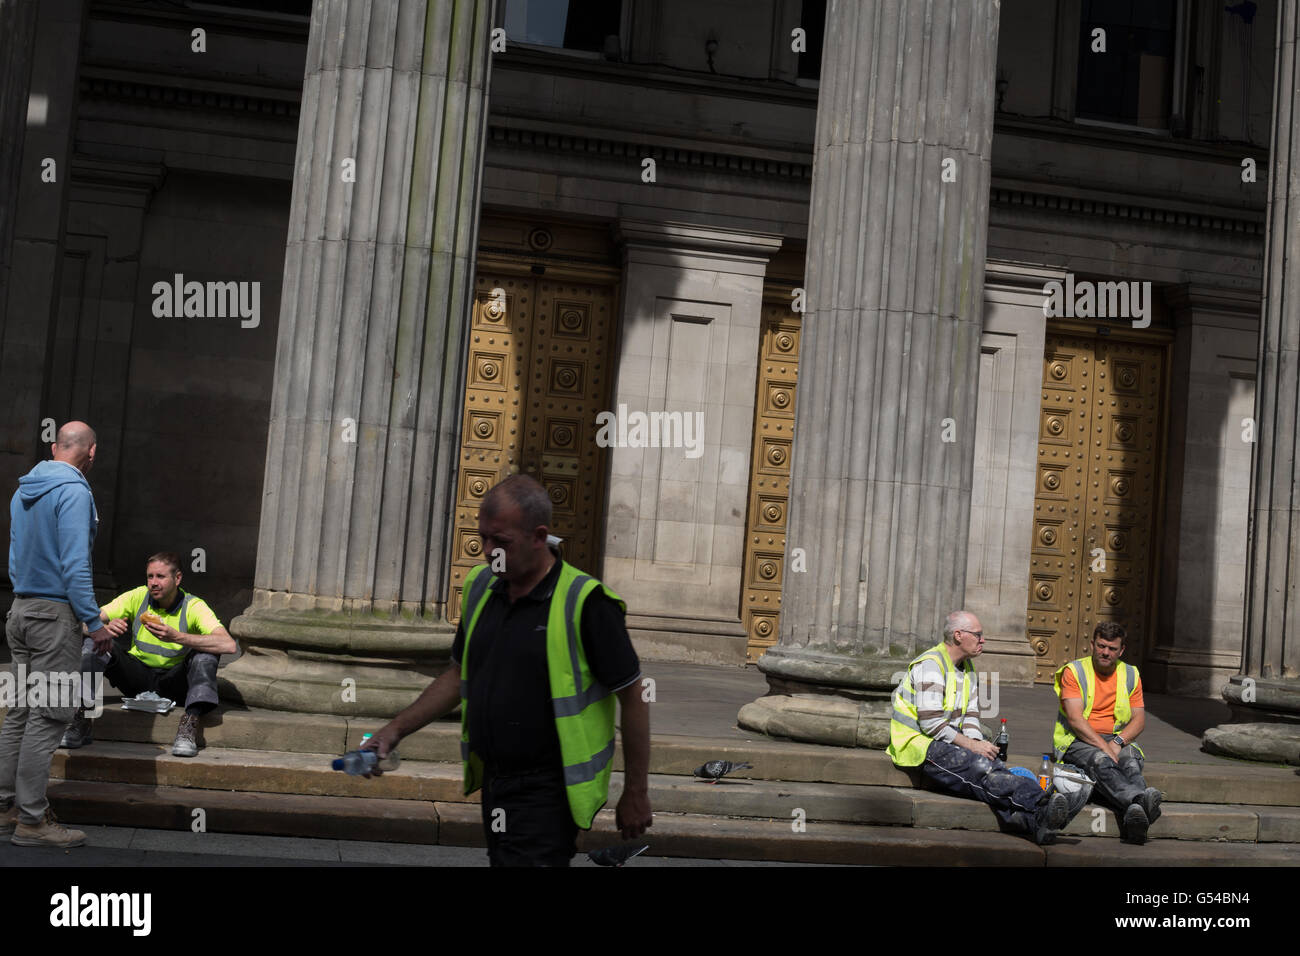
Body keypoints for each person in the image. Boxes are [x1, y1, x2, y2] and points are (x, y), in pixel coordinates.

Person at [366, 474, 652, 866]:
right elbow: (458, 675)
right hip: (496, 783)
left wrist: (636, 789)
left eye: (501, 542)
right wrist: (393, 730)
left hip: (548, 790)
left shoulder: (586, 603)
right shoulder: (482, 587)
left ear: (539, 537)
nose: (488, 551)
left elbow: (634, 694)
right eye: (483, 538)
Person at [0, 422, 105, 848]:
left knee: (19, 714)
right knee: (48, 717)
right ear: (92, 452)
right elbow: (75, 565)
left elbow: (15, 554)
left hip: (20, 610)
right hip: (52, 617)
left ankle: (6, 807)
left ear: (55, 445)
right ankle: (31, 820)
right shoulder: (74, 493)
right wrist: (94, 623)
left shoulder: (23, 490)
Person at [888, 610, 1070, 845]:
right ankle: (1042, 803)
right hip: (918, 745)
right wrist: (972, 746)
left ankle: (1033, 822)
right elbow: (931, 724)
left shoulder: (967, 668)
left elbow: (971, 716)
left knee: (989, 765)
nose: (983, 640)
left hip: (947, 741)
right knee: (981, 769)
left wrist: (979, 744)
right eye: (978, 635)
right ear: (958, 635)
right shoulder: (931, 665)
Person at [61, 552, 235, 757]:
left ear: (177, 578)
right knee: (94, 641)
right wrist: (100, 629)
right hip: (137, 678)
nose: (153, 583)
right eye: (150, 577)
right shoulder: (137, 596)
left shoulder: (193, 606)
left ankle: (190, 724)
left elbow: (229, 645)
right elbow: (78, 624)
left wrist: (178, 637)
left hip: (175, 683)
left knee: (206, 654)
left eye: (160, 577)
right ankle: (81, 717)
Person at [1053, 621, 1162, 844]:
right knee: (1101, 760)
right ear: (1092, 644)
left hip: (1115, 739)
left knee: (1130, 762)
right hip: (1078, 739)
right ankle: (1141, 802)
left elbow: (1139, 719)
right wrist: (1105, 746)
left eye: (1112, 649)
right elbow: (1075, 719)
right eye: (1101, 646)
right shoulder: (1074, 671)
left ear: (1121, 650)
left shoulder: (1131, 674)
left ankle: (1136, 817)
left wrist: (1118, 742)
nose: (1105, 652)